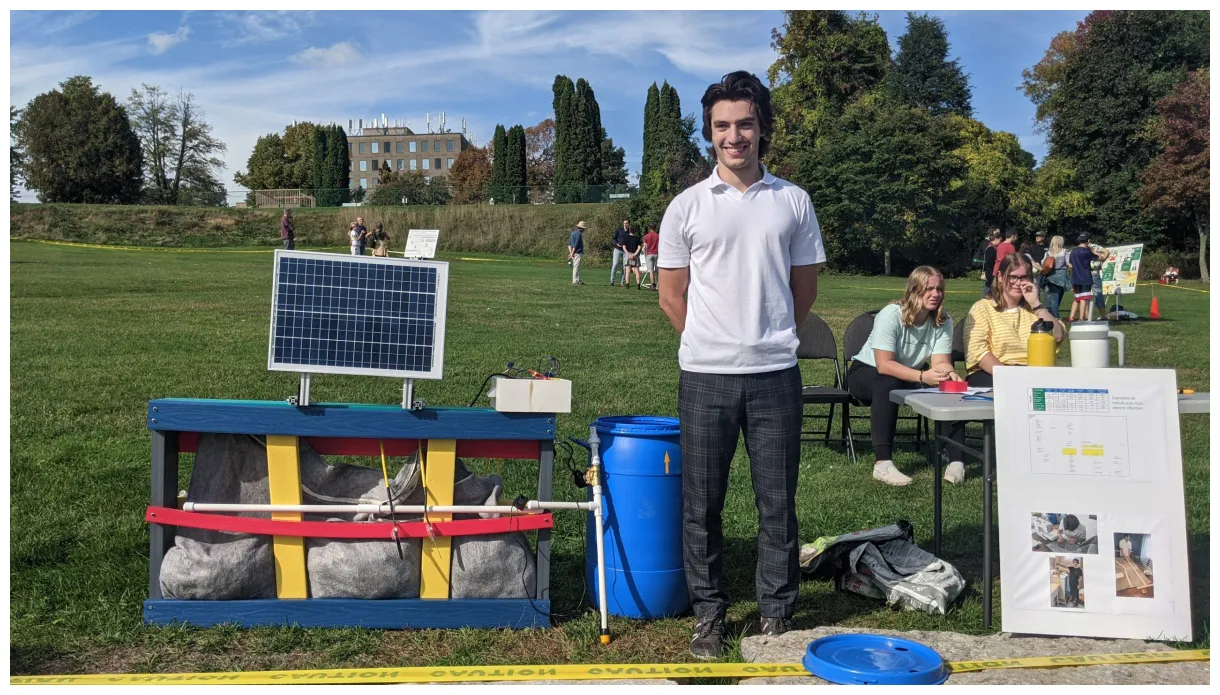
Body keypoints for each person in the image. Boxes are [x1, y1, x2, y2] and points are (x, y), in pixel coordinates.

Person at [658, 70, 825, 657]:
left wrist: (770, 338)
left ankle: (777, 611)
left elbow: (803, 292)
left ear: (762, 129)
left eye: (745, 124)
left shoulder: (793, 202)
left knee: (776, 500)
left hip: (776, 375)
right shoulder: (686, 207)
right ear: (710, 134)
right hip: (705, 376)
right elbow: (670, 296)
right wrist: (712, 340)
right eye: (722, 126)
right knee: (701, 503)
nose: (735, 136)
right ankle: (709, 612)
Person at [844, 266, 964, 487]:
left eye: (939, 289)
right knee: (887, 384)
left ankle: (956, 460)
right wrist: (922, 376)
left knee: (949, 385)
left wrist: (948, 373)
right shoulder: (891, 314)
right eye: (929, 289)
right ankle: (883, 464)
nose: (936, 294)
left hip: (911, 374)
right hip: (866, 372)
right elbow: (884, 364)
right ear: (914, 290)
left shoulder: (943, 320)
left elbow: (940, 362)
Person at [963, 253, 1065, 388]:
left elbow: (1058, 336)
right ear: (1000, 277)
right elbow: (978, 352)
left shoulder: (1035, 310)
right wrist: (1011, 376)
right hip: (994, 372)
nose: (1018, 283)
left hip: (1032, 372)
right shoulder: (982, 308)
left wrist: (1036, 304)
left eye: (1024, 277)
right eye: (1013, 277)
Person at [1067, 233, 1101, 322]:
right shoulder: (1087, 252)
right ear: (1088, 241)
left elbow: (1070, 265)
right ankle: (1081, 318)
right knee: (1084, 298)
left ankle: (1071, 317)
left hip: (1075, 278)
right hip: (1085, 278)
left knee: (1077, 298)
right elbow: (1099, 257)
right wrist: (1093, 251)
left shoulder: (1073, 252)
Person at [1042, 235, 1069, 319]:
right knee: (1058, 296)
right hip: (1061, 276)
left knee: (1054, 296)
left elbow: (1043, 263)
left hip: (1050, 276)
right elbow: (1068, 263)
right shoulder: (1065, 252)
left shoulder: (1047, 253)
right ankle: (1055, 316)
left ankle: (1051, 313)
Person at [610, 220, 631, 286]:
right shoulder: (619, 229)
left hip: (625, 251)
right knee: (615, 265)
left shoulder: (630, 231)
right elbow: (614, 238)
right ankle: (612, 281)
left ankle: (622, 282)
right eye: (624, 223)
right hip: (617, 249)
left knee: (625, 267)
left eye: (626, 223)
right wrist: (616, 244)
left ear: (628, 224)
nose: (625, 224)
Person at [981, 230, 1001, 298]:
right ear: (996, 239)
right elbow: (989, 262)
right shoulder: (991, 249)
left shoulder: (992, 248)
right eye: (1000, 240)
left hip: (990, 272)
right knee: (988, 289)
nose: (1000, 242)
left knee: (990, 289)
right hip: (990, 272)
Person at [1030, 231, 1048, 303]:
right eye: (1036, 236)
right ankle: (1037, 304)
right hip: (1036, 271)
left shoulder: (1047, 247)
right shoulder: (1032, 247)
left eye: (1039, 236)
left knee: (1047, 289)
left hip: (1046, 271)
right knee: (1036, 288)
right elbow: (1030, 258)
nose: (1037, 237)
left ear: (1043, 237)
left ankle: (1047, 305)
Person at [567, 221, 586, 285]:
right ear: (582, 228)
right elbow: (576, 244)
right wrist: (572, 253)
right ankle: (575, 281)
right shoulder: (579, 234)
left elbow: (569, 244)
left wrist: (570, 252)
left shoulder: (573, 233)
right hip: (577, 252)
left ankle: (577, 280)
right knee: (576, 267)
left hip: (573, 252)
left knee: (576, 267)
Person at [642, 224, 660, 291]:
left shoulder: (646, 236)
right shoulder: (658, 236)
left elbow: (645, 247)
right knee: (658, 271)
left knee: (651, 271)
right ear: (655, 228)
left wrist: (645, 255)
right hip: (657, 254)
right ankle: (659, 285)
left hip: (649, 254)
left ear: (649, 228)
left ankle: (653, 284)